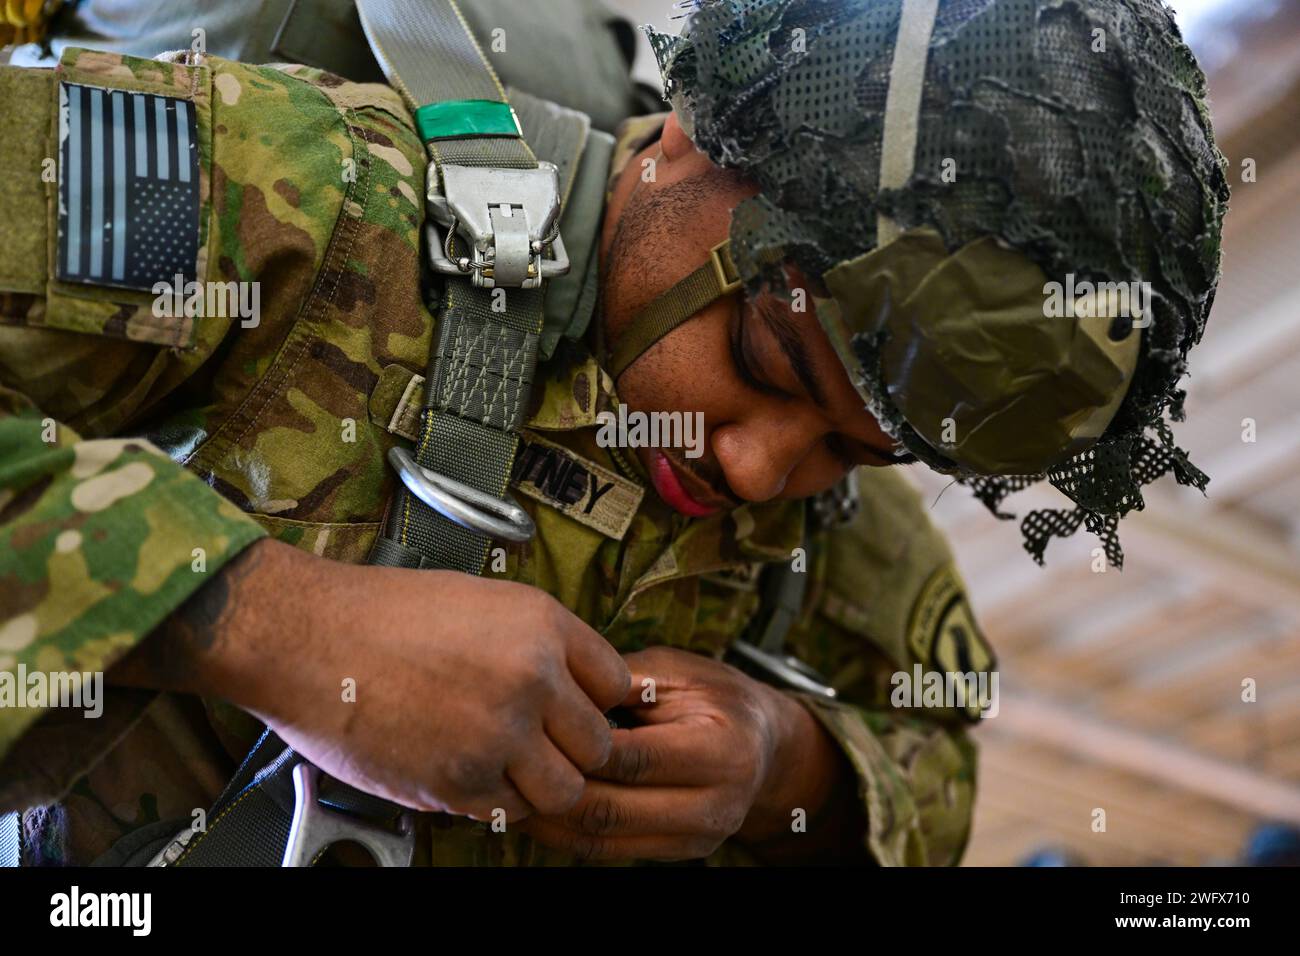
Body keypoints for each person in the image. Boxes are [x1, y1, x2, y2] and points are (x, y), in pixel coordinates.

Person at [0, 0, 1226, 866]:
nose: (758, 468)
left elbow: (937, 757)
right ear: (692, 138)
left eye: (853, 450)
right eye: (763, 361)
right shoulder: (312, 199)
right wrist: (267, 626)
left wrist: (783, 763)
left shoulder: (824, 528)